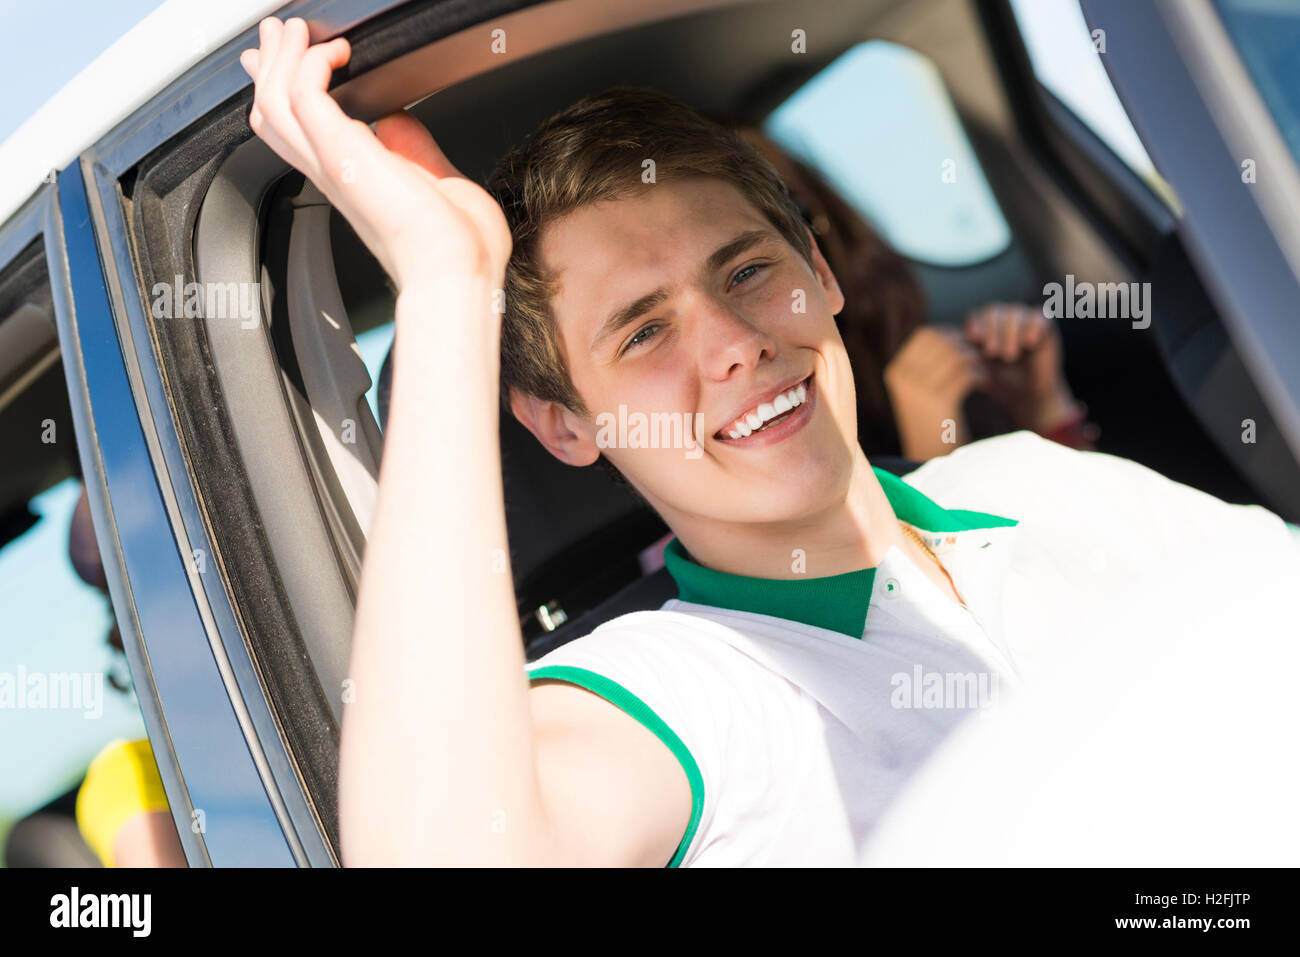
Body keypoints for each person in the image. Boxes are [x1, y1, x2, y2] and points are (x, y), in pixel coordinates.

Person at [240, 18, 1299, 866]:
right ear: (565, 424)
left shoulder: (1036, 482)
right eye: (644, 330)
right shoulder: (685, 692)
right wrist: (444, 282)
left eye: (746, 271)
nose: (737, 344)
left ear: (821, 277)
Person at [733, 125, 1096, 461]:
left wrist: (1040, 407)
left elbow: (1088, 520)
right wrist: (932, 455)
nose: (740, 344)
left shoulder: (919, 357)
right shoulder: (774, 436)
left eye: (750, 271)